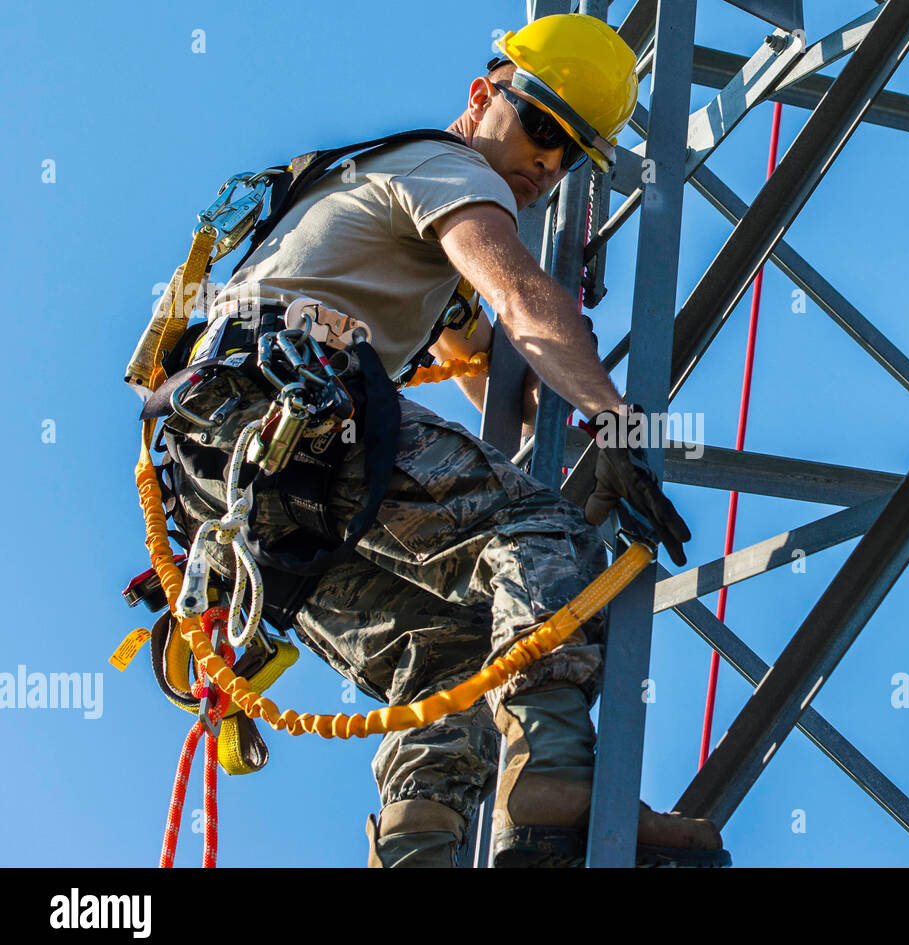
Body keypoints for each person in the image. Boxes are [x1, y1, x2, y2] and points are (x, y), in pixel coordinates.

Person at [157, 13, 728, 868]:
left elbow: (486, 356)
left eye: (570, 154)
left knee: (445, 654)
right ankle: (554, 785)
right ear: (482, 95)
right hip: (288, 404)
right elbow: (520, 295)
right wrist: (619, 423)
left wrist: (573, 420)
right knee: (546, 534)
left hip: (230, 475)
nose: (546, 163)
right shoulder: (445, 169)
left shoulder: (386, 212)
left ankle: (418, 844)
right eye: (539, 128)